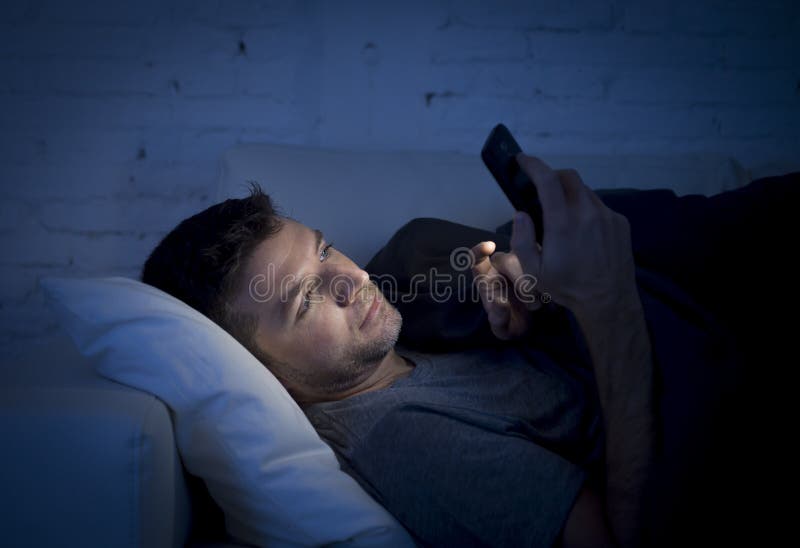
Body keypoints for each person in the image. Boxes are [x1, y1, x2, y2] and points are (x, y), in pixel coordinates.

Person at [141, 153, 796, 547]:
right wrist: (608, 306)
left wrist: (510, 289)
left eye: (323, 248)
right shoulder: (402, 440)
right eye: (304, 300)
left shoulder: (383, 343)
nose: (347, 278)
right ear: (261, 370)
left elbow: (429, 264)